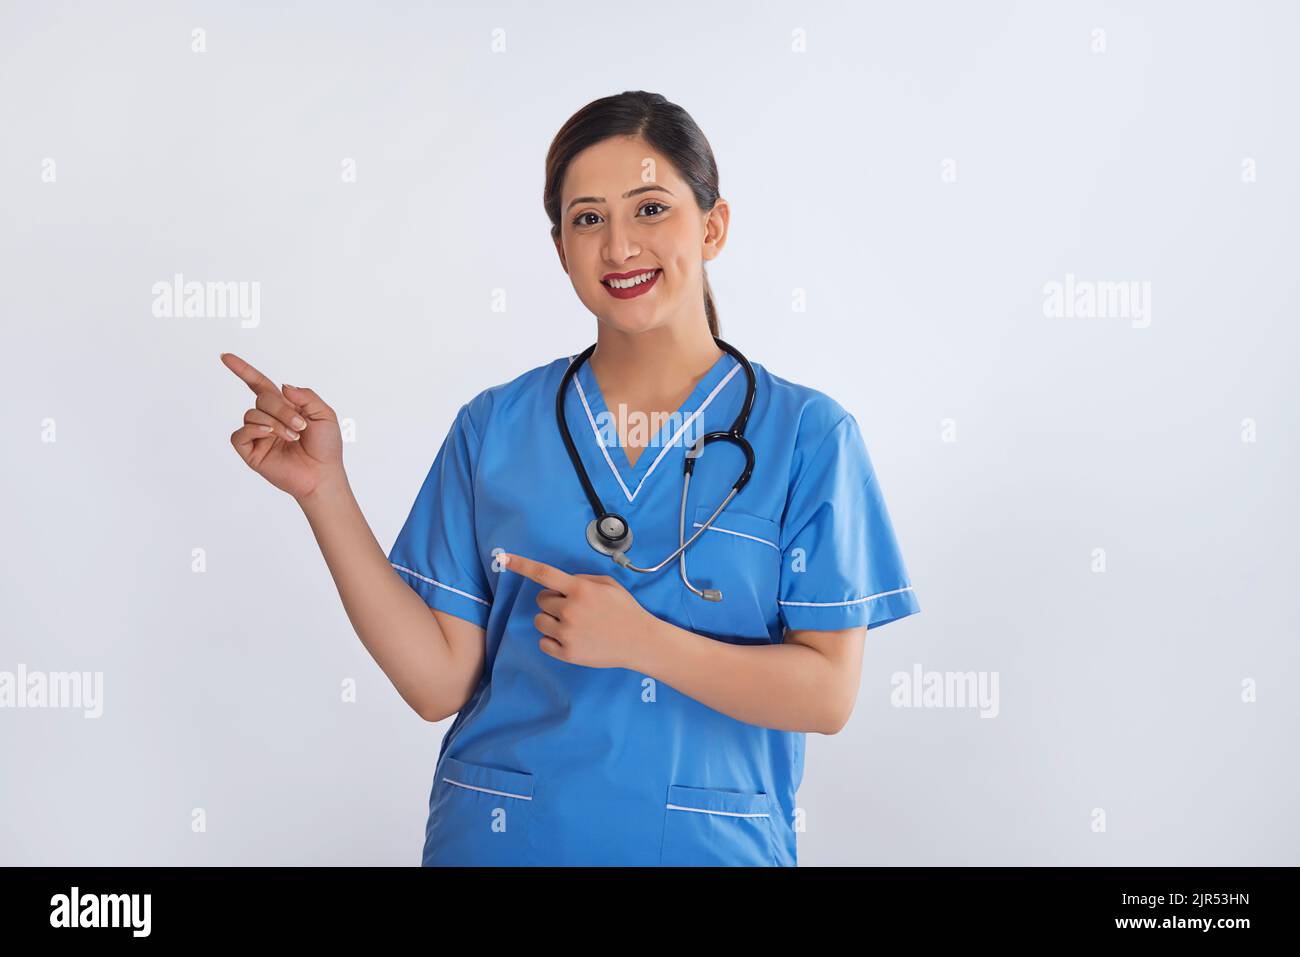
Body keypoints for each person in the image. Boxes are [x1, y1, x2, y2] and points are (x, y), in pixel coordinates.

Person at [221, 90, 920, 866]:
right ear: (560, 248)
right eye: (588, 219)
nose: (619, 246)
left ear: (713, 226)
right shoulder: (496, 426)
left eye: (650, 208)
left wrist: (642, 641)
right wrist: (325, 492)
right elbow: (435, 684)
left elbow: (827, 695)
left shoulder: (808, 436)